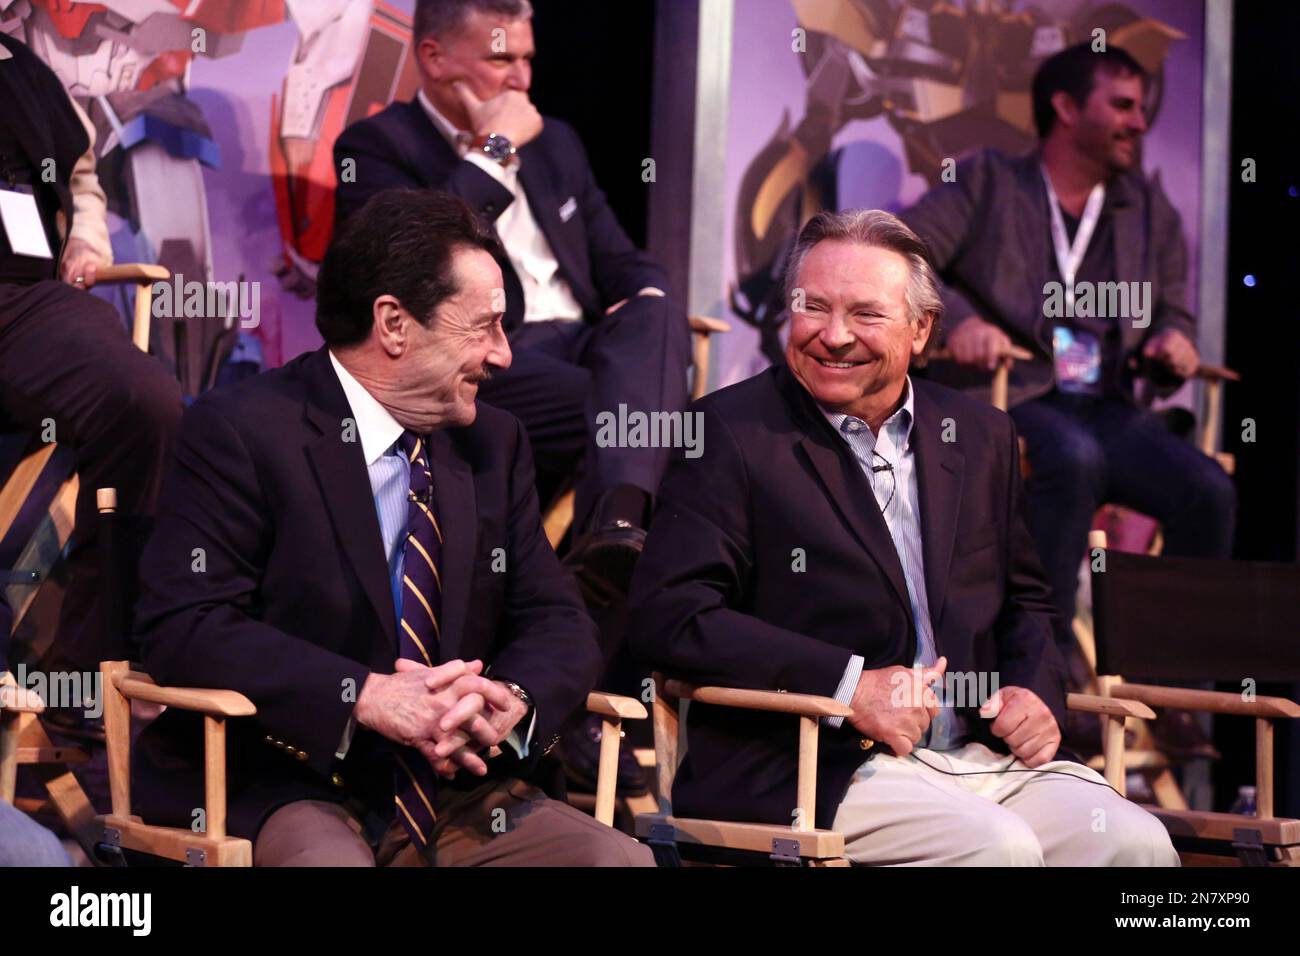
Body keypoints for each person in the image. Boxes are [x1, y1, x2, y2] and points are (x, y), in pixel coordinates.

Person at [629, 209, 1178, 865]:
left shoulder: (981, 435)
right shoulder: (729, 431)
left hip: (976, 754)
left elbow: (1027, 601)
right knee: (995, 850)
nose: (833, 336)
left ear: (921, 331)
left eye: (865, 314)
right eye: (812, 308)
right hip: (811, 763)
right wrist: (849, 687)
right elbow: (671, 615)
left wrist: (1035, 688)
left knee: (1135, 843)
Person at [131, 189, 653, 866]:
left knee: (621, 862)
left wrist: (510, 700)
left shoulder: (495, 443)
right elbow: (184, 624)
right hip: (289, 774)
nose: (504, 357)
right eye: (483, 327)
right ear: (395, 324)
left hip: (459, 785)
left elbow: (557, 619)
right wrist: (364, 696)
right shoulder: (241, 431)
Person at [898, 45, 1234, 757]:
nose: (1139, 123)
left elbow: (1175, 309)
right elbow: (905, 252)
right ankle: (1038, 678)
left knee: (1207, 488)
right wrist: (959, 323)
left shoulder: (1147, 208)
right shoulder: (990, 180)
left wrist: (1173, 338)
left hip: (1106, 401)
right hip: (1011, 391)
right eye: (1122, 105)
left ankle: (1166, 690)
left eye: (1142, 109)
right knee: (1072, 460)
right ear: (1066, 107)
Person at [333, 0, 691, 606]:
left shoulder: (557, 145)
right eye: (502, 58)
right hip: (484, 350)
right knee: (658, 418)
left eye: (528, 58)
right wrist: (494, 151)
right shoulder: (375, 147)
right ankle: (613, 566)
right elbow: (413, 264)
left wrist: (647, 299)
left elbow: (623, 262)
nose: (522, 79)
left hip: (585, 347)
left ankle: (618, 531)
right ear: (434, 58)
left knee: (655, 314)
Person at [0, 33, 182, 728]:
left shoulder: (18, 65)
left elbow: (80, 173)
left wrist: (85, 236)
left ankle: (87, 669)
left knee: (146, 404)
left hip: (23, 298)